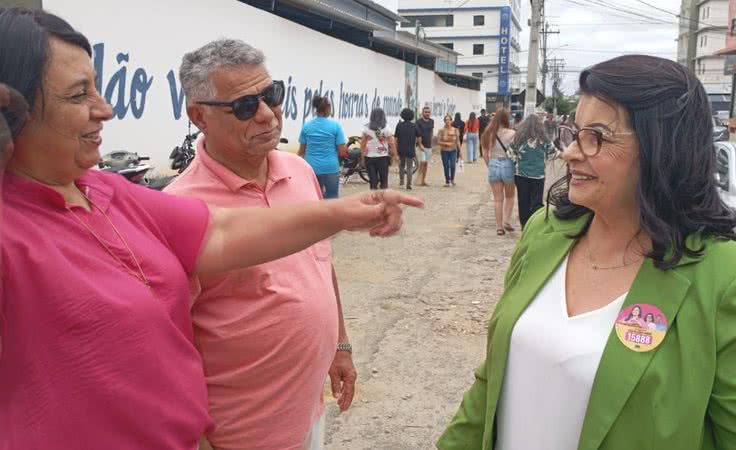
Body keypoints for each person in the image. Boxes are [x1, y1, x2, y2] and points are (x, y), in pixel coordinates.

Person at [0, 8, 423, 450]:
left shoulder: (106, 191)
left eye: (271, 95)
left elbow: (220, 234)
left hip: (287, 417)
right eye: (76, 95)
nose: (103, 110)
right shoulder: (13, 233)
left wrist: (347, 214)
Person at [438, 54, 736, 450]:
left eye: (596, 136)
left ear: (662, 148)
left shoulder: (733, 283)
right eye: (573, 132)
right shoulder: (545, 233)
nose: (571, 152)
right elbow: (493, 378)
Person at [163, 38, 360, 450]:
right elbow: (166, 344)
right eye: (245, 106)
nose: (269, 115)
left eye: (272, 95)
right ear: (199, 115)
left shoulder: (300, 171)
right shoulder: (179, 210)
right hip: (239, 433)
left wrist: (340, 346)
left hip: (307, 413)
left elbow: (322, 264)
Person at [298, 95, 347, 199]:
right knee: (332, 198)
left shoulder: (307, 126)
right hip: (331, 168)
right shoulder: (335, 126)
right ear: (328, 108)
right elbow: (342, 150)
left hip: (311, 168)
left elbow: (301, 151)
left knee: (314, 198)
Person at [510, 114, 553, 228]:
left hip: (521, 175)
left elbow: (510, 153)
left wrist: (517, 162)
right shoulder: (544, 138)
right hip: (538, 175)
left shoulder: (518, 137)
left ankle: (524, 226)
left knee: (523, 202)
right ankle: (535, 225)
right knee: (536, 202)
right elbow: (553, 152)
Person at [482, 108, 516, 236]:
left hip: (493, 164)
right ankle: (507, 220)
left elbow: (485, 154)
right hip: (508, 164)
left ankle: (499, 227)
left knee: (497, 199)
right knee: (510, 196)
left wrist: (489, 165)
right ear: (507, 119)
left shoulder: (487, 133)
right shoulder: (512, 133)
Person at [361, 107, 396, 190]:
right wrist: (394, 155)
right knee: (384, 182)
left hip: (369, 158)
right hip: (383, 158)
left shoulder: (366, 128)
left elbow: (363, 144)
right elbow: (392, 143)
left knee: (373, 182)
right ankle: (383, 199)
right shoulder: (386, 128)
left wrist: (362, 157)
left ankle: (373, 200)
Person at [394, 108, 417, 190]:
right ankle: (409, 183)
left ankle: (401, 180)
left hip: (401, 148)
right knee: (410, 167)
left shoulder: (399, 125)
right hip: (410, 148)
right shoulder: (414, 125)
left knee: (401, 165)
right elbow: (418, 137)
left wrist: (395, 149)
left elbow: (395, 138)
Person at [437, 113, 462, 188]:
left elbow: (458, 141)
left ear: (451, 121)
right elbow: (438, 141)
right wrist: (446, 143)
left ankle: (452, 180)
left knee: (452, 165)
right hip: (444, 150)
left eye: (449, 120)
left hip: (453, 150)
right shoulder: (441, 130)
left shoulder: (455, 130)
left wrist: (460, 151)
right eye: (446, 120)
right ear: (444, 121)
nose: (447, 121)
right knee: (446, 166)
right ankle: (447, 180)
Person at [415, 106, 434, 186]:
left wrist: (431, 142)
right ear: (422, 113)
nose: (427, 113)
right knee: (422, 162)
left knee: (426, 164)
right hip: (420, 145)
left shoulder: (432, 121)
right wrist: (420, 144)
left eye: (428, 112)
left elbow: (431, 132)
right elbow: (417, 134)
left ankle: (423, 180)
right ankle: (417, 180)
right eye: (425, 112)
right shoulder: (418, 122)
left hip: (428, 145)